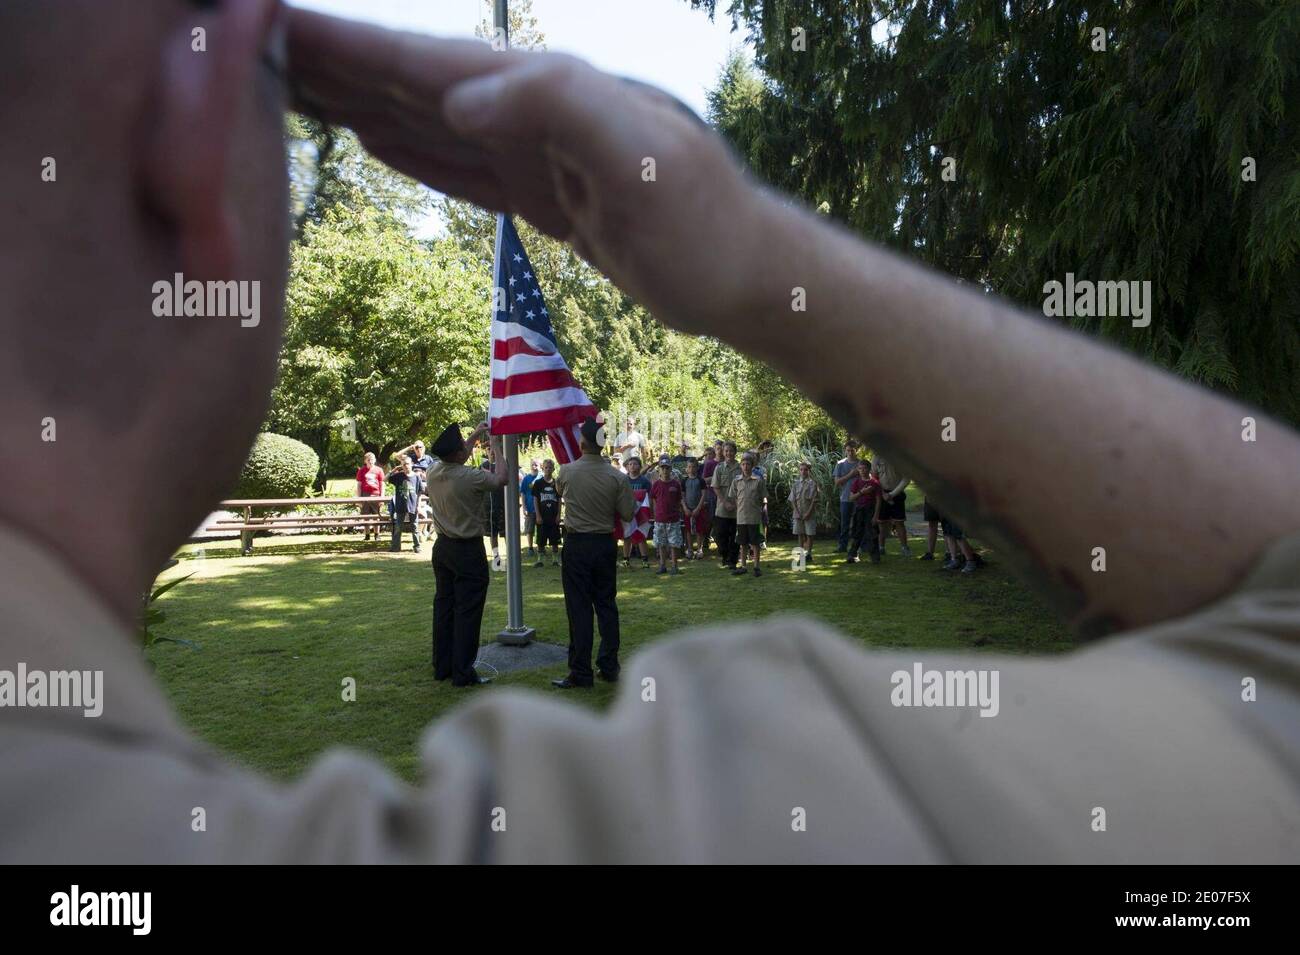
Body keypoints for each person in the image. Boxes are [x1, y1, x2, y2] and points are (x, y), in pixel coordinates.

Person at [6, 3, 1299, 864]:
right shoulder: (691, 808)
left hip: (542, 555)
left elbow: (495, 486)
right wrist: (756, 260)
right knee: (585, 625)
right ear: (191, 128)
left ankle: (497, 661)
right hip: (585, 556)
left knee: (509, 621)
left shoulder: (469, 474)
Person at [553, 417, 637, 688]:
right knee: (606, 605)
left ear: (582, 443)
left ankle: (580, 671)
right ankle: (609, 666)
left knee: (578, 608)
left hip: (577, 544)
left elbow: (559, 491)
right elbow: (627, 512)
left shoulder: (566, 471)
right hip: (603, 544)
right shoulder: (616, 476)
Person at [425, 423, 508, 687]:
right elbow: (501, 479)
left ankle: (443, 666)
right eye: (463, 444)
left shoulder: (433, 471)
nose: (466, 446)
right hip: (467, 549)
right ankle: (463, 672)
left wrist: (475, 434)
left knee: (444, 607)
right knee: (468, 611)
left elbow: (458, 454)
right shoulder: (470, 476)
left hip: (442, 548)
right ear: (459, 454)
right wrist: (495, 445)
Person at [728, 453, 767, 578]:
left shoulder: (758, 481)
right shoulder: (736, 481)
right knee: (742, 542)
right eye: (743, 464)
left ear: (752, 466)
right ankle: (743, 566)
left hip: (754, 517)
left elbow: (763, 498)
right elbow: (734, 498)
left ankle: (756, 567)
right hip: (741, 518)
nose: (745, 467)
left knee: (755, 543)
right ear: (740, 466)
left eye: (748, 464)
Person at [650, 458, 686, 575]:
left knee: (674, 543)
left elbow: (679, 500)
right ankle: (662, 565)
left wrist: (680, 511)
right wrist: (655, 513)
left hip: (673, 519)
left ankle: (674, 566)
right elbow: (653, 500)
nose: (665, 470)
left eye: (667, 468)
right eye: (663, 468)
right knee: (661, 543)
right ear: (659, 470)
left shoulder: (676, 484)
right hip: (660, 519)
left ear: (671, 469)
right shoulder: (656, 485)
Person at [710, 441, 742, 568]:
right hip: (722, 507)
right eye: (726, 451)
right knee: (719, 534)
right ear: (723, 452)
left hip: (737, 507)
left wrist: (734, 503)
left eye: (731, 451)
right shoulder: (719, 468)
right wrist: (725, 502)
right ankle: (725, 555)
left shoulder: (741, 468)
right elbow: (715, 487)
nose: (729, 453)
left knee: (735, 535)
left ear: (735, 452)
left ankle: (732, 560)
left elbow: (743, 487)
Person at [873, 454, 911, 557]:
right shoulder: (877, 457)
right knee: (881, 523)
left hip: (897, 494)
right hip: (882, 494)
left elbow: (906, 479)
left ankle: (904, 548)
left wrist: (892, 494)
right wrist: (882, 493)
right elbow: (874, 477)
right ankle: (881, 548)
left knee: (899, 522)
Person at [846, 460, 883, 564]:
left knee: (872, 533)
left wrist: (876, 515)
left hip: (870, 510)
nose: (862, 471)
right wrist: (862, 492)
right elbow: (851, 498)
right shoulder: (856, 482)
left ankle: (875, 557)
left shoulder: (874, 483)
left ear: (869, 469)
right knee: (857, 533)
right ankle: (852, 555)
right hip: (859, 510)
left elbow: (879, 500)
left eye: (864, 468)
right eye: (860, 469)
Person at [385, 457, 424, 553]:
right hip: (400, 505)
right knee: (398, 528)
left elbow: (419, 492)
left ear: (411, 464)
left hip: (413, 505)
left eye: (407, 464)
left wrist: (418, 506)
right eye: (403, 464)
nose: (405, 466)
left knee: (414, 527)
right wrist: (393, 470)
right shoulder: (398, 476)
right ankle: (396, 547)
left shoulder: (416, 477)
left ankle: (417, 546)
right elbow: (384, 479)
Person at [622, 456, 652, 569]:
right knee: (627, 536)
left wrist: (650, 512)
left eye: (635, 464)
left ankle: (644, 560)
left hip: (641, 512)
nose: (632, 466)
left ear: (640, 466)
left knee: (641, 536)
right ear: (627, 467)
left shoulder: (645, 481)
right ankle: (626, 560)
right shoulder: (624, 480)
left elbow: (649, 497)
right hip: (627, 511)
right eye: (630, 464)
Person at [531, 459, 562, 567]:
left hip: (553, 516)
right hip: (542, 516)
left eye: (550, 467)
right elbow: (535, 499)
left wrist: (559, 515)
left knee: (555, 539)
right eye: (546, 467)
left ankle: (555, 560)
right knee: (541, 539)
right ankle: (540, 560)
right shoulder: (538, 483)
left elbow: (559, 500)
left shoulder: (556, 483)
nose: (548, 469)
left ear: (553, 469)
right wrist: (538, 515)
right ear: (542, 468)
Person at [832, 440, 861, 553]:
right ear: (845, 450)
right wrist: (850, 475)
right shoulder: (840, 464)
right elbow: (837, 482)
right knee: (844, 524)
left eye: (852, 450)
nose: (850, 453)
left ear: (856, 450)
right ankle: (842, 546)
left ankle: (858, 547)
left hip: (859, 498)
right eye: (848, 450)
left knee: (858, 524)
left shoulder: (861, 464)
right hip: (845, 498)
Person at [789, 460, 818, 562]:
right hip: (798, 513)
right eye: (801, 470)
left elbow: (814, 501)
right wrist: (796, 511)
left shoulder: (812, 484)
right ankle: (801, 554)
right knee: (800, 533)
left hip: (809, 512)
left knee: (810, 534)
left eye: (805, 470)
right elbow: (792, 499)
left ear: (809, 471)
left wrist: (808, 513)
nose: (803, 472)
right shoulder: (796, 484)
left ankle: (809, 553)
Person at [682, 458, 709, 560]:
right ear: (686, 469)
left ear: (697, 468)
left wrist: (698, 508)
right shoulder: (684, 480)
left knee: (699, 530)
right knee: (688, 530)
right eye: (689, 467)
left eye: (693, 467)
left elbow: (703, 495)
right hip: (687, 509)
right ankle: (689, 549)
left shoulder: (701, 480)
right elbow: (682, 495)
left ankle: (699, 549)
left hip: (699, 509)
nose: (691, 469)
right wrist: (685, 508)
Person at [355, 451, 385, 541]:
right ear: (365, 461)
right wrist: (359, 498)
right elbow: (359, 485)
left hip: (376, 495)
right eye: (369, 460)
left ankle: (377, 534)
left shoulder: (379, 470)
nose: (370, 461)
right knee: (365, 516)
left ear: (375, 460)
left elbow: (382, 484)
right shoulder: (361, 471)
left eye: (372, 459)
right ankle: (367, 535)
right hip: (365, 495)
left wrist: (382, 497)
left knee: (376, 515)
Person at [520, 458, 539, 558]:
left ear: (539, 465)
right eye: (533, 464)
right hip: (530, 508)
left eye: (536, 464)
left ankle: (541, 548)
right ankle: (530, 548)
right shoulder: (526, 479)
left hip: (541, 509)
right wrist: (524, 507)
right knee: (529, 529)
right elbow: (522, 493)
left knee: (541, 530)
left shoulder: (542, 477)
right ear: (530, 465)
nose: (534, 466)